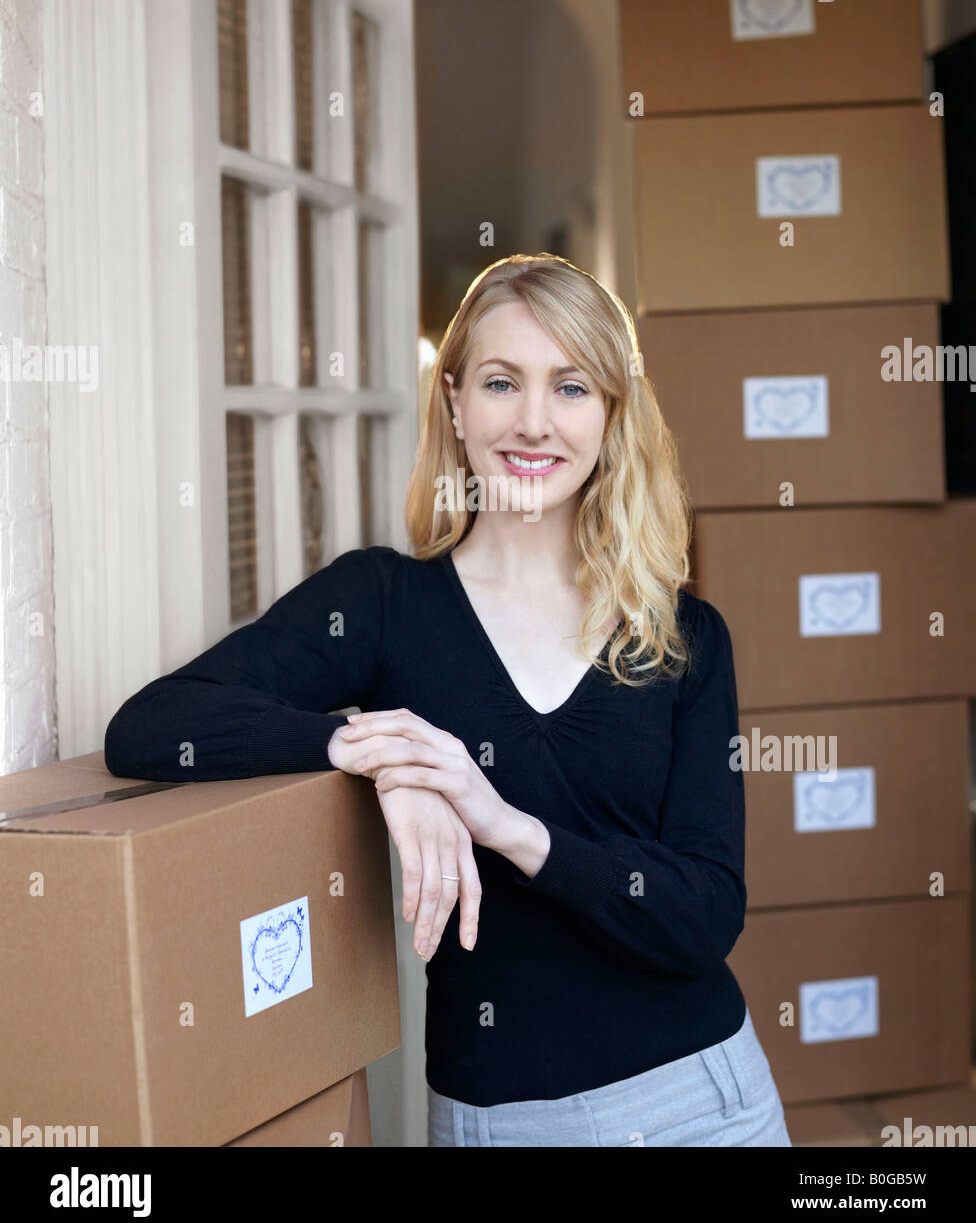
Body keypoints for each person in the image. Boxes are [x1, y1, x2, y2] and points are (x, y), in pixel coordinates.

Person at [104, 252, 792, 1148]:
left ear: (612, 416)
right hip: (497, 1123)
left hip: (701, 1106)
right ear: (456, 403)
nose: (535, 422)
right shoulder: (384, 605)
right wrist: (379, 753)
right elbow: (151, 727)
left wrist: (503, 823)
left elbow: (703, 916)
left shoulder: (683, 637)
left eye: (573, 387)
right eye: (503, 383)